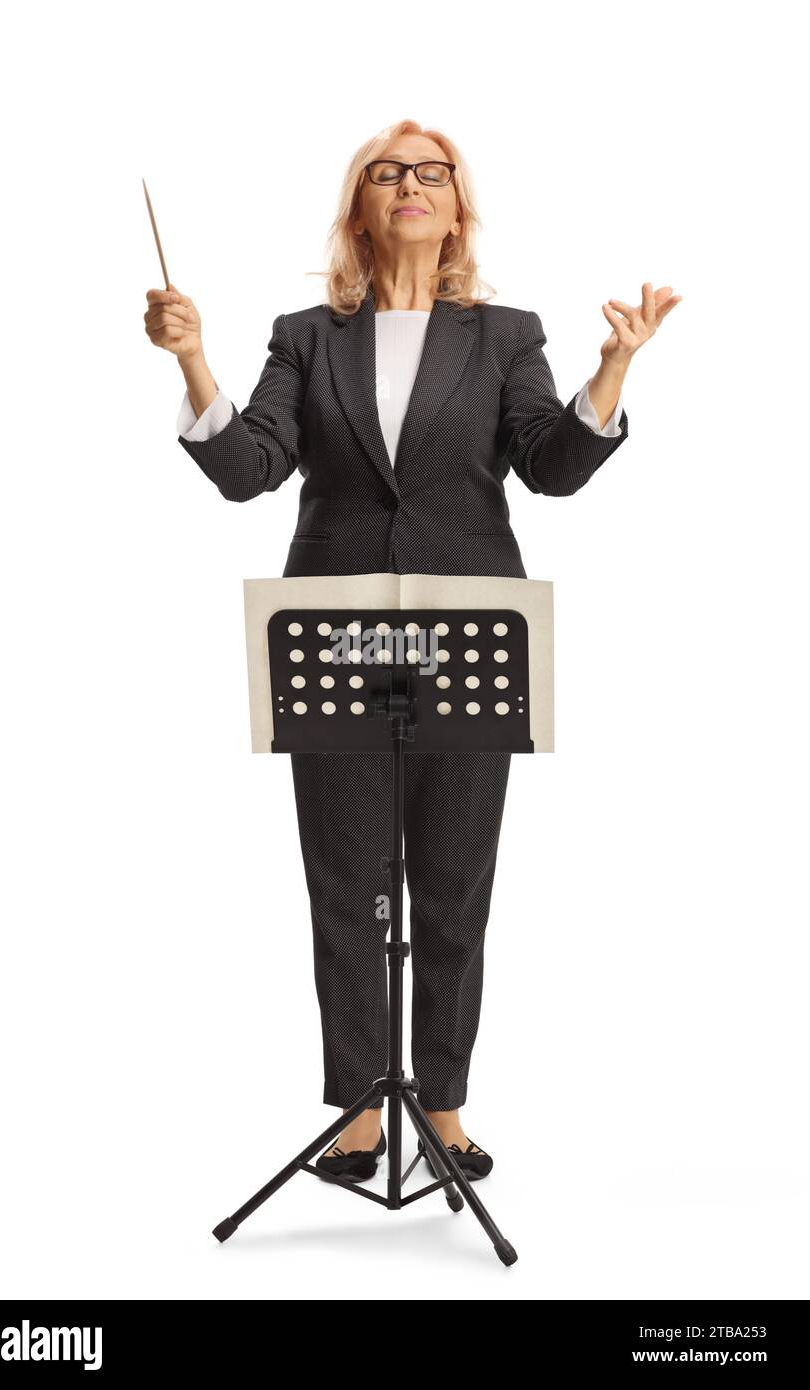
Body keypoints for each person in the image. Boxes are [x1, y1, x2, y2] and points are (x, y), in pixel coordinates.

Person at [144, 118, 680, 1184]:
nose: (409, 185)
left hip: (465, 632)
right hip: (333, 631)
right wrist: (193, 358)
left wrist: (611, 369)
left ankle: (439, 1101)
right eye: (387, 173)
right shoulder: (305, 334)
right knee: (344, 877)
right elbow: (251, 468)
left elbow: (550, 467)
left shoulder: (503, 333)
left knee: (450, 878)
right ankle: (355, 1111)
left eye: (430, 172)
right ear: (361, 205)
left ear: (455, 205)